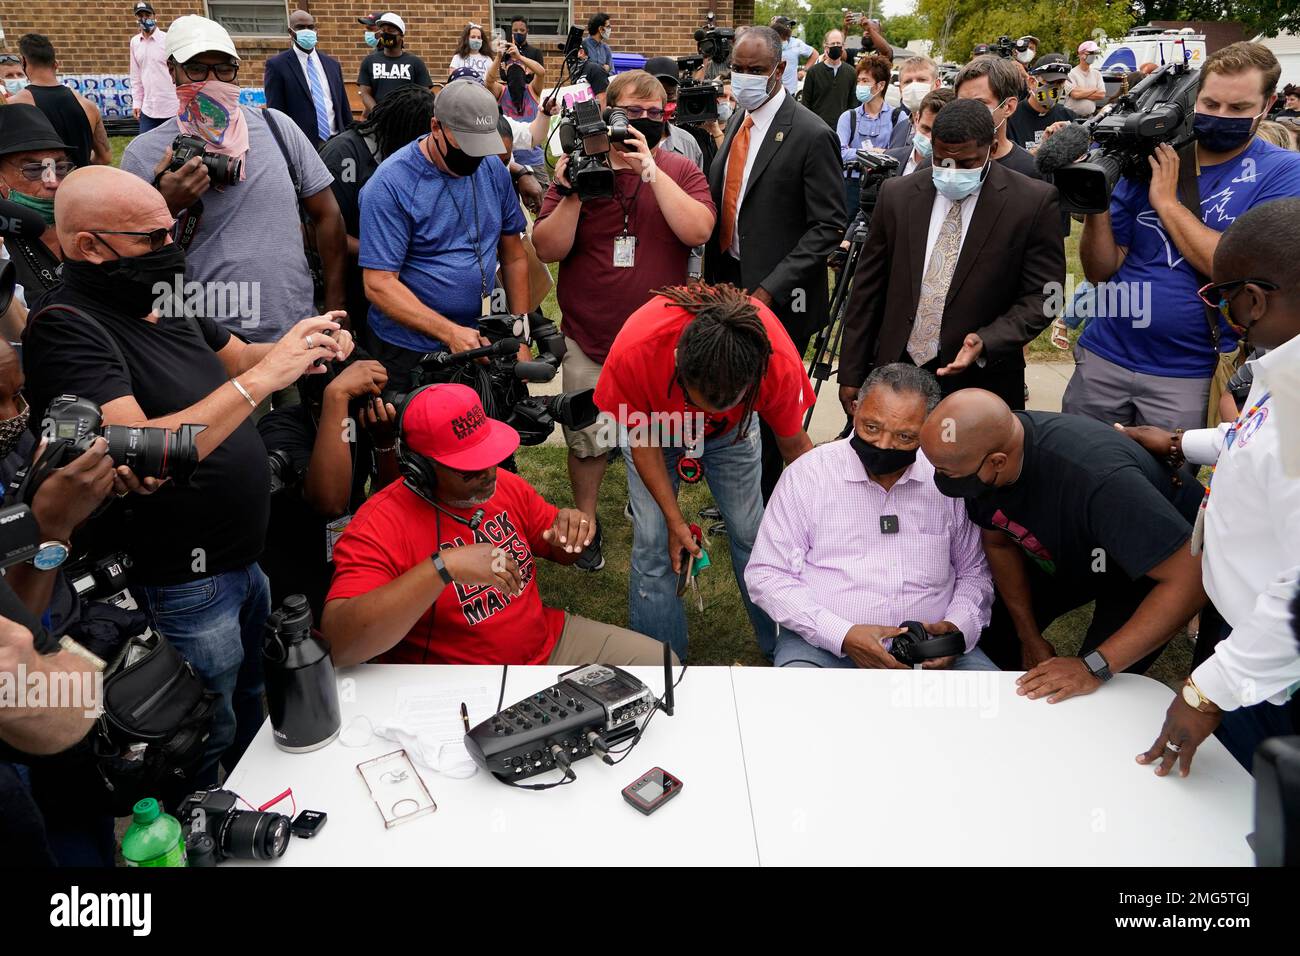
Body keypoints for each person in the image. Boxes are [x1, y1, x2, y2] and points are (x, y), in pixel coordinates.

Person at [22, 165, 355, 784]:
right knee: (208, 730)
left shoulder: (161, 295)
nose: (169, 247)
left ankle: (264, 803)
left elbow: (240, 357)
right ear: (88, 245)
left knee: (255, 703)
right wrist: (262, 381)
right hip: (182, 581)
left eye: (172, 230)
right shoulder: (66, 326)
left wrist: (300, 345)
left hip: (242, 559)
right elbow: (141, 449)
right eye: (150, 238)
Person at [1122, 199, 1300, 775]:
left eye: (1219, 296)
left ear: (1254, 299)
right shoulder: (1287, 369)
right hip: (1248, 635)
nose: (1222, 311)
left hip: (1276, 671)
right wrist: (1181, 442)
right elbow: (1263, 441)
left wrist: (1211, 691)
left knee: (1255, 815)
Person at [323, 383, 670, 667]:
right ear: (421, 469)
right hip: (464, 685)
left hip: (549, 645)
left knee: (661, 664)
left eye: (490, 456)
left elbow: (560, 548)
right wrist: (444, 568)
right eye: (469, 467)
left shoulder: (502, 483)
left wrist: (569, 535)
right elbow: (340, 644)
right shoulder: (377, 525)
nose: (488, 474)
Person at [532, 69, 716, 573]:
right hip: (591, 340)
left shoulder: (679, 168)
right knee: (589, 439)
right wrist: (572, 190)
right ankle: (586, 524)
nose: (644, 123)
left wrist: (652, 172)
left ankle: (655, 515)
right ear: (607, 111)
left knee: (657, 436)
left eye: (656, 115)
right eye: (632, 113)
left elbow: (699, 228)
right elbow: (547, 247)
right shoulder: (577, 167)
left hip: (660, 346)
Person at [1065, 42, 1300, 433]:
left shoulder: (1282, 172)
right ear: (1195, 96)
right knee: (1076, 473)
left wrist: (1166, 202)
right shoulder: (1151, 155)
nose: (1221, 115)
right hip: (1104, 354)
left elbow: (1235, 271)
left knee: (1161, 488)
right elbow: (1101, 272)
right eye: (1211, 103)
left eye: (1238, 108)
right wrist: (1097, 200)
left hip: (1189, 371)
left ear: (1268, 102)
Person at [920, 390, 1206, 699]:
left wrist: (1093, 666)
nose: (939, 479)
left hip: (1150, 564)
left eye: (946, 473)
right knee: (992, 640)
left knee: (1093, 689)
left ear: (997, 462)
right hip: (1076, 549)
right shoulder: (984, 447)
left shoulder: (1099, 479)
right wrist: (1028, 635)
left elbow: (1190, 579)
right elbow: (999, 542)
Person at [594, 283, 815, 662]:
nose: (708, 413)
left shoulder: (775, 359)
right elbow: (642, 441)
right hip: (654, 432)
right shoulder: (637, 347)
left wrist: (823, 520)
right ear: (679, 359)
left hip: (735, 434)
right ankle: (659, 660)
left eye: (724, 403)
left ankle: (785, 650)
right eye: (700, 401)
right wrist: (674, 520)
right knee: (652, 542)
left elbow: (796, 449)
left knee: (754, 535)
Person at [748, 364, 997, 671]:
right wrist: (841, 634)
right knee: (799, 712)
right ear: (855, 409)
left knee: (997, 711)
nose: (883, 445)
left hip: (932, 651)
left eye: (905, 436)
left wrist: (957, 630)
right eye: (871, 428)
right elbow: (767, 574)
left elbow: (975, 572)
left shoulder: (946, 480)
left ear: (930, 428)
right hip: (824, 647)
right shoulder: (808, 475)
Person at [122, 15, 348, 343]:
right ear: (172, 71)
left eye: (224, 69)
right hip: (206, 345)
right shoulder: (145, 154)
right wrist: (167, 204)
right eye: (197, 69)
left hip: (296, 332)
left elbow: (328, 215)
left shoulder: (277, 129)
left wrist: (336, 308)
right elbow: (125, 255)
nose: (212, 80)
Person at [838, 99, 1064, 414]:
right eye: (943, 160)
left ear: (991, 147)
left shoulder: (1031, 203)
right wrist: (851, 371)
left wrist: (988, 340)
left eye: (967, 163)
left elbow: (1045, 297)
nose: (952, 172)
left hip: (981, 381)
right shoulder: (897, 195)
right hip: (895, 371)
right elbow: (867, 291)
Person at [706, 26, 845, 502]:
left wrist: (769, 289)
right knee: (735, 393)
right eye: (737, 70)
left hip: (782, 301)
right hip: (731, 286)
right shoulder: (737, 124)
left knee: (771, 407)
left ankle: (767, 501)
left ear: (780, 70)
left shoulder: (810, 132)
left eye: (755, 71)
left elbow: (828, 225)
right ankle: (738, 491)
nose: (743, 78)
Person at [359, 79, 529, 387]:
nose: (475, 158)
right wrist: (449, 332)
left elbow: (514, 256)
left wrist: (521, 334)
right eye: (466, 145)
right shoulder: (390, 186)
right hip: (408, 350)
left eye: (482, 146)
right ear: (436, 127)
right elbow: (378, 284)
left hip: (477, 338)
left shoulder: (492, 170)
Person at [259, 355, 398, 620]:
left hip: (348, 554)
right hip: (294, 557)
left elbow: (389, 504)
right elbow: (329, 503)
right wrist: (337, 397)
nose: (353, 417)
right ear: (314, 404)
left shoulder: (365, 415)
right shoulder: (279, 426)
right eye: (346, 404)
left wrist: (384, 443)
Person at [320, 85, 436, 340]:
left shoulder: (407, 156)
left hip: (392, 280)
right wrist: (378, 254)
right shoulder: (344, 153)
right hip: (347, 276)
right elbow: (314, 228)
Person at [0, 106, 71, 302]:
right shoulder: (3, 246)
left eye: (61, 167)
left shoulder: (88, 223)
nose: (53, 182)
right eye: (33, 170)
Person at [7, 34, 110, 169]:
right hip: (79, 185)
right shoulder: (88, 106)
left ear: (24, 62)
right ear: (56, 64)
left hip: (38, 187)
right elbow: (104, 158)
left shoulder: (13, 106)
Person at [264, 8, 353, 148]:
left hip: (337, 142)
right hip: (301, 145)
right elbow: (276, 112)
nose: (307, 31)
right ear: (290, 32)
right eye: (300, 27)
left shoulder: (332, 65)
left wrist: (350, 137)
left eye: (310, 27)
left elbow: (344, 107)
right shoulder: (277, 66)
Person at [951, 55, 1042, 181]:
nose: (967, 110)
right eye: (962, 102)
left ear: (1008, 107)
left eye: (979, 103)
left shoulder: (1030, 170)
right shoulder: (942, 163)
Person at [837, 54, 895, 214]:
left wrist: (856, 153)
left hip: (884, 187)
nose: (860, 86)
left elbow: (899, 155)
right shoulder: (848, 117)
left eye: (865, 81)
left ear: (880, 85)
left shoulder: (897, 118)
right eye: (859, 81)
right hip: (852, 184)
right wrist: (873, 153)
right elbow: (840, 153)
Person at [487, 35, 549, 182]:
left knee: (543, 200)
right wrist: (499, 57)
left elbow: (541, 72)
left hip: (535, 160)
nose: (515, 65)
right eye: (510, 63)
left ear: (526, 70)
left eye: (519, 64)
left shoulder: (533, 90)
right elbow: (488, 81)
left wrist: (519, 57)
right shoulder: (501, 91)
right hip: (510, 161)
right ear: (505, 68)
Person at [357, 12, 432, 116]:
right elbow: (365, 93)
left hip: (407, 122)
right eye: (383, 30)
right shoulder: (369, 61)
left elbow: (425, 95)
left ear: (401, 35)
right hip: (377, 122)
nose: (386, 33)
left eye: (391, 30)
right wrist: (377, 112)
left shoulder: (415, 62)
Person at [640, 57, 705, 171]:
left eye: (669, 94)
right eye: (656, 94)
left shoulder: (688, 143)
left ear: (676, 94)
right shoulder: (624, 142)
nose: (662, 102)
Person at [129, 3, 178, 134]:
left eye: (147, 15)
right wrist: (137, 103)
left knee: (174, 150)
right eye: (140, 15)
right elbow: (136, 76)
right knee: (146, 149)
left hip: (172, 107)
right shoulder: (135, 43)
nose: (144, 18)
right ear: (136, 19)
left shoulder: (168, 40)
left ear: (155, 16)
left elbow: (179, 72)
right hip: (149, 109)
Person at [1008, 58, 1074, 154]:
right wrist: (1040, 149)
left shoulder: (1069, 117)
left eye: (1060, 82)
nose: (1056, 88)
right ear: (1031, 82)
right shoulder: (1010, 118)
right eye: (1050, 82)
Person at [802, 28, 855, 130]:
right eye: (832, 43)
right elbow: (806, 103)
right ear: (825, 46)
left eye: (839, 43)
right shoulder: (813, 72)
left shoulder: (851, 72)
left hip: (842, 127)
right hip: (817, 127)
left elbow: (852, 103)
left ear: (843, 46)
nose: (836, 46)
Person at [888, 56, 941, 149]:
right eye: (908, 81)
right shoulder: (900, 129)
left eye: (921, 80)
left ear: (937, 84)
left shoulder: (947, 127)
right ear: (900, 89)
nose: (914, 86)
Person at [771, 16, 817, 96]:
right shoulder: (769, 42)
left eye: (790, 26)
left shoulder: (796, 43)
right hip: (772, 92)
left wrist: (804, 71)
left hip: (789, 93)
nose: (789, 28)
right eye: (786, 26)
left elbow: (814, 54)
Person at [1065, 40, 1106, 118]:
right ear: (1081, 54)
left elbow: (1101, 95)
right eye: (1090, 53)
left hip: (1090, 117)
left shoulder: (1097, 74)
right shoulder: (1071, 73)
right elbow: (1075, 95)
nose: (1093, 55)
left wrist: (1081, 92)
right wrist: (1094, 89)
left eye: (1094, 53)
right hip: (1072, 117)